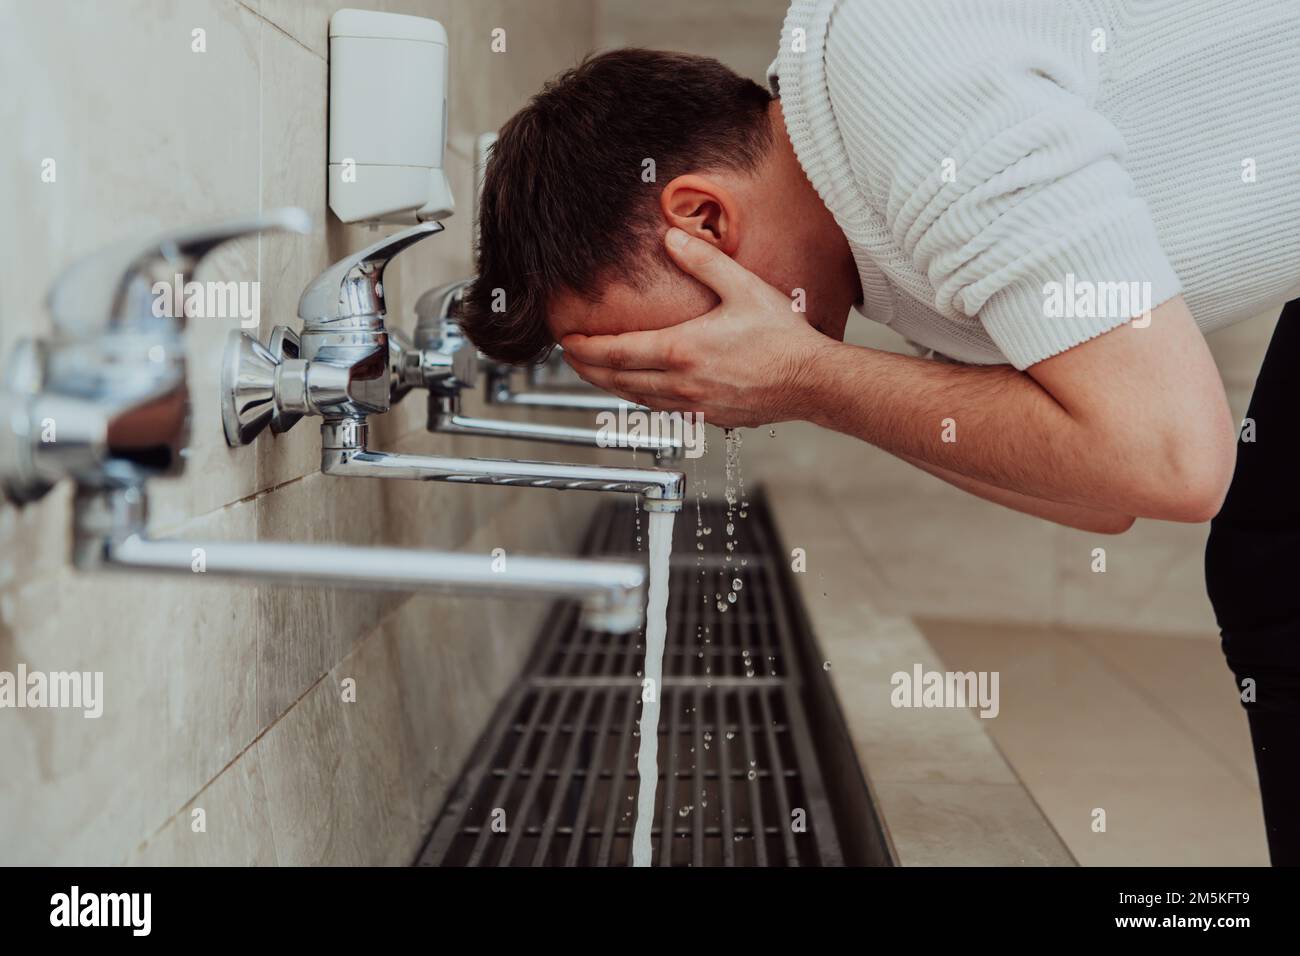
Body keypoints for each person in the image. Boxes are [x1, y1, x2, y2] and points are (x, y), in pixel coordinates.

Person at [460, 0, 1300, 863]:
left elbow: (1172, 460)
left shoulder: (901, 85)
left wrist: (811, 377)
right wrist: (813, 383)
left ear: (704, 220)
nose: (682, 391)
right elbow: (1099, 498)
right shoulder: (878, 222)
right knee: (1270, 571)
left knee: (1274, 579)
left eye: (658, 354)